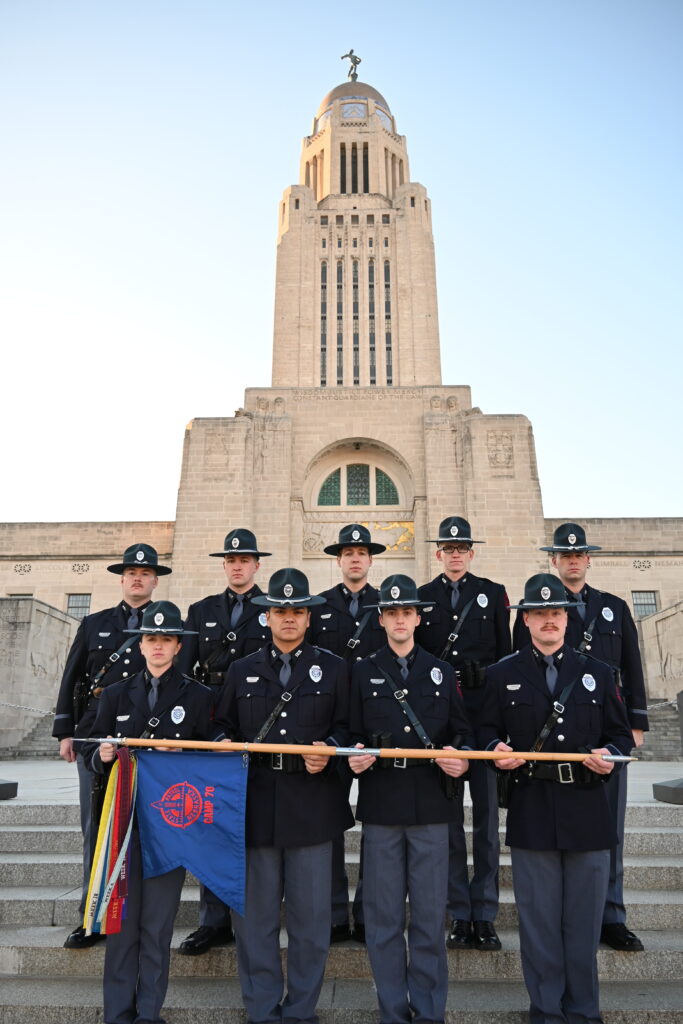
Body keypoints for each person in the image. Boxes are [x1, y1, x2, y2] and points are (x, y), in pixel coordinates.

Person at [479, 573, 634, 1024]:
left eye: (556, 613)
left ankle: (584, 1012)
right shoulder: (502, 674)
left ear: (567, 619)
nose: (549, 620)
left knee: (583, 925)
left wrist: (611, 756)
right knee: (539, 924)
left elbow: (620, 735)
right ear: (525, 620)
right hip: (532, 807)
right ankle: (546, 1011)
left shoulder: (598, 673)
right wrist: (495, 750)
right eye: (539, 613)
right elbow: (484, 731)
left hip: (588, 809)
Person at [215, 568, 354, 1024]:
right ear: (267, 617)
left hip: (312, 806)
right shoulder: (242, 670)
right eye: (280, 611)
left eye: (297, 611)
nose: (289, 618)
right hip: (255, 806)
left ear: (309, 617)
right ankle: (261, 1009)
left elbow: (347, 728)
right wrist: (222, 743)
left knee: (311, 922)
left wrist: (330, 749)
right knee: (254, 921)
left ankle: (300, 1011)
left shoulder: (334, 668)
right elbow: (222, 725)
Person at [512, 522, 649, 952]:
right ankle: (567, 914)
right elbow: (520, 667)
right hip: (554, 739)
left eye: (579, 555)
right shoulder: (537, 608)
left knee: (609, 829)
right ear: (553, 560)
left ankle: (611, 916)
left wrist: (636, 723)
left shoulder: (614, 607)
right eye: (565, 555)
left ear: (588, 559)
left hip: (604, 733)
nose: (572, 561)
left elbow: (631, 665)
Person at [83, 600, 217, 1024]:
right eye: (150, 639)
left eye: (166, 639)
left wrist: (186, 756)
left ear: (178, 646)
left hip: (170, 828)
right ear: (140, 645)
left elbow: (213, 757)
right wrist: (102, 756)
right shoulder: (115, 694)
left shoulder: (199, 697)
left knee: (157, 927)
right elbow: (90, 751)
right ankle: (117, 1013)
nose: (158, 646)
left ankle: (148, 1013)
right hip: (123, 826)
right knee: (120, 926)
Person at [348, 573, 471, 1024]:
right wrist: (353, 755)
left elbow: (461, 731)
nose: (400, 619)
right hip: (382, 805)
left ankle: (430, 1011)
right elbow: (350, 731)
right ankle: (393, 1012)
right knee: (383, 920)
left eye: (407, 612)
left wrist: (461, 757)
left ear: (418, 618)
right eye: (392, 613)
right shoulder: (362, 671)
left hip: (432, 806)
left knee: (428, 917)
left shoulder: (442, 671)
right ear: (380, 619)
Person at [52, 542, 171, 949]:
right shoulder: (94, 624)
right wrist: (65, 731)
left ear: (155, 581)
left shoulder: (169, 624)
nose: (138, 579)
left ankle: (137, 912)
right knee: (96, 828)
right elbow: (72, 678)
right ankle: (92, 914)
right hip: (96, 736)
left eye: (145, 573)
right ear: (122, 579)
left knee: (148, 828)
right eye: (131, 573)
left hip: (149, 739)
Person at [176, 527, 272, 956]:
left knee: (256, 826)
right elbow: (184, 673)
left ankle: (254, 916)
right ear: (225, 565)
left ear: (256, 565)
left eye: (244, 560)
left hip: (258, 725)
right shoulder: (201, 611)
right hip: (211, 726)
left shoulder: (272, 607)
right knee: (211, 824)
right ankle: (213, 921)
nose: (237, 566)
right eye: (231, 560)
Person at [416, 516, 510, 952]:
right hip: (444, 725)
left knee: (487, 824)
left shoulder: (492, 593)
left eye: (462, 548)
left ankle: (484, 913)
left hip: (485, 721)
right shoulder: (423, 597)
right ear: (439, 553)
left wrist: (486, 677)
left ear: (471, 553)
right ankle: (458, 912)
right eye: (448, 548)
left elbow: (507, 659)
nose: (455, 554)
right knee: (451, 824)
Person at [307, 522, 387, 943]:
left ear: (370, 560)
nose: (355, 559)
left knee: (378, 822)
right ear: (338, 560)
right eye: (348, 553)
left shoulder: (387, 604)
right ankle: (336, 913)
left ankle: (369, 911)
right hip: (333, 722)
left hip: (377, 721)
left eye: (362, 553)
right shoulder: (320, 605)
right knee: (330, 819)